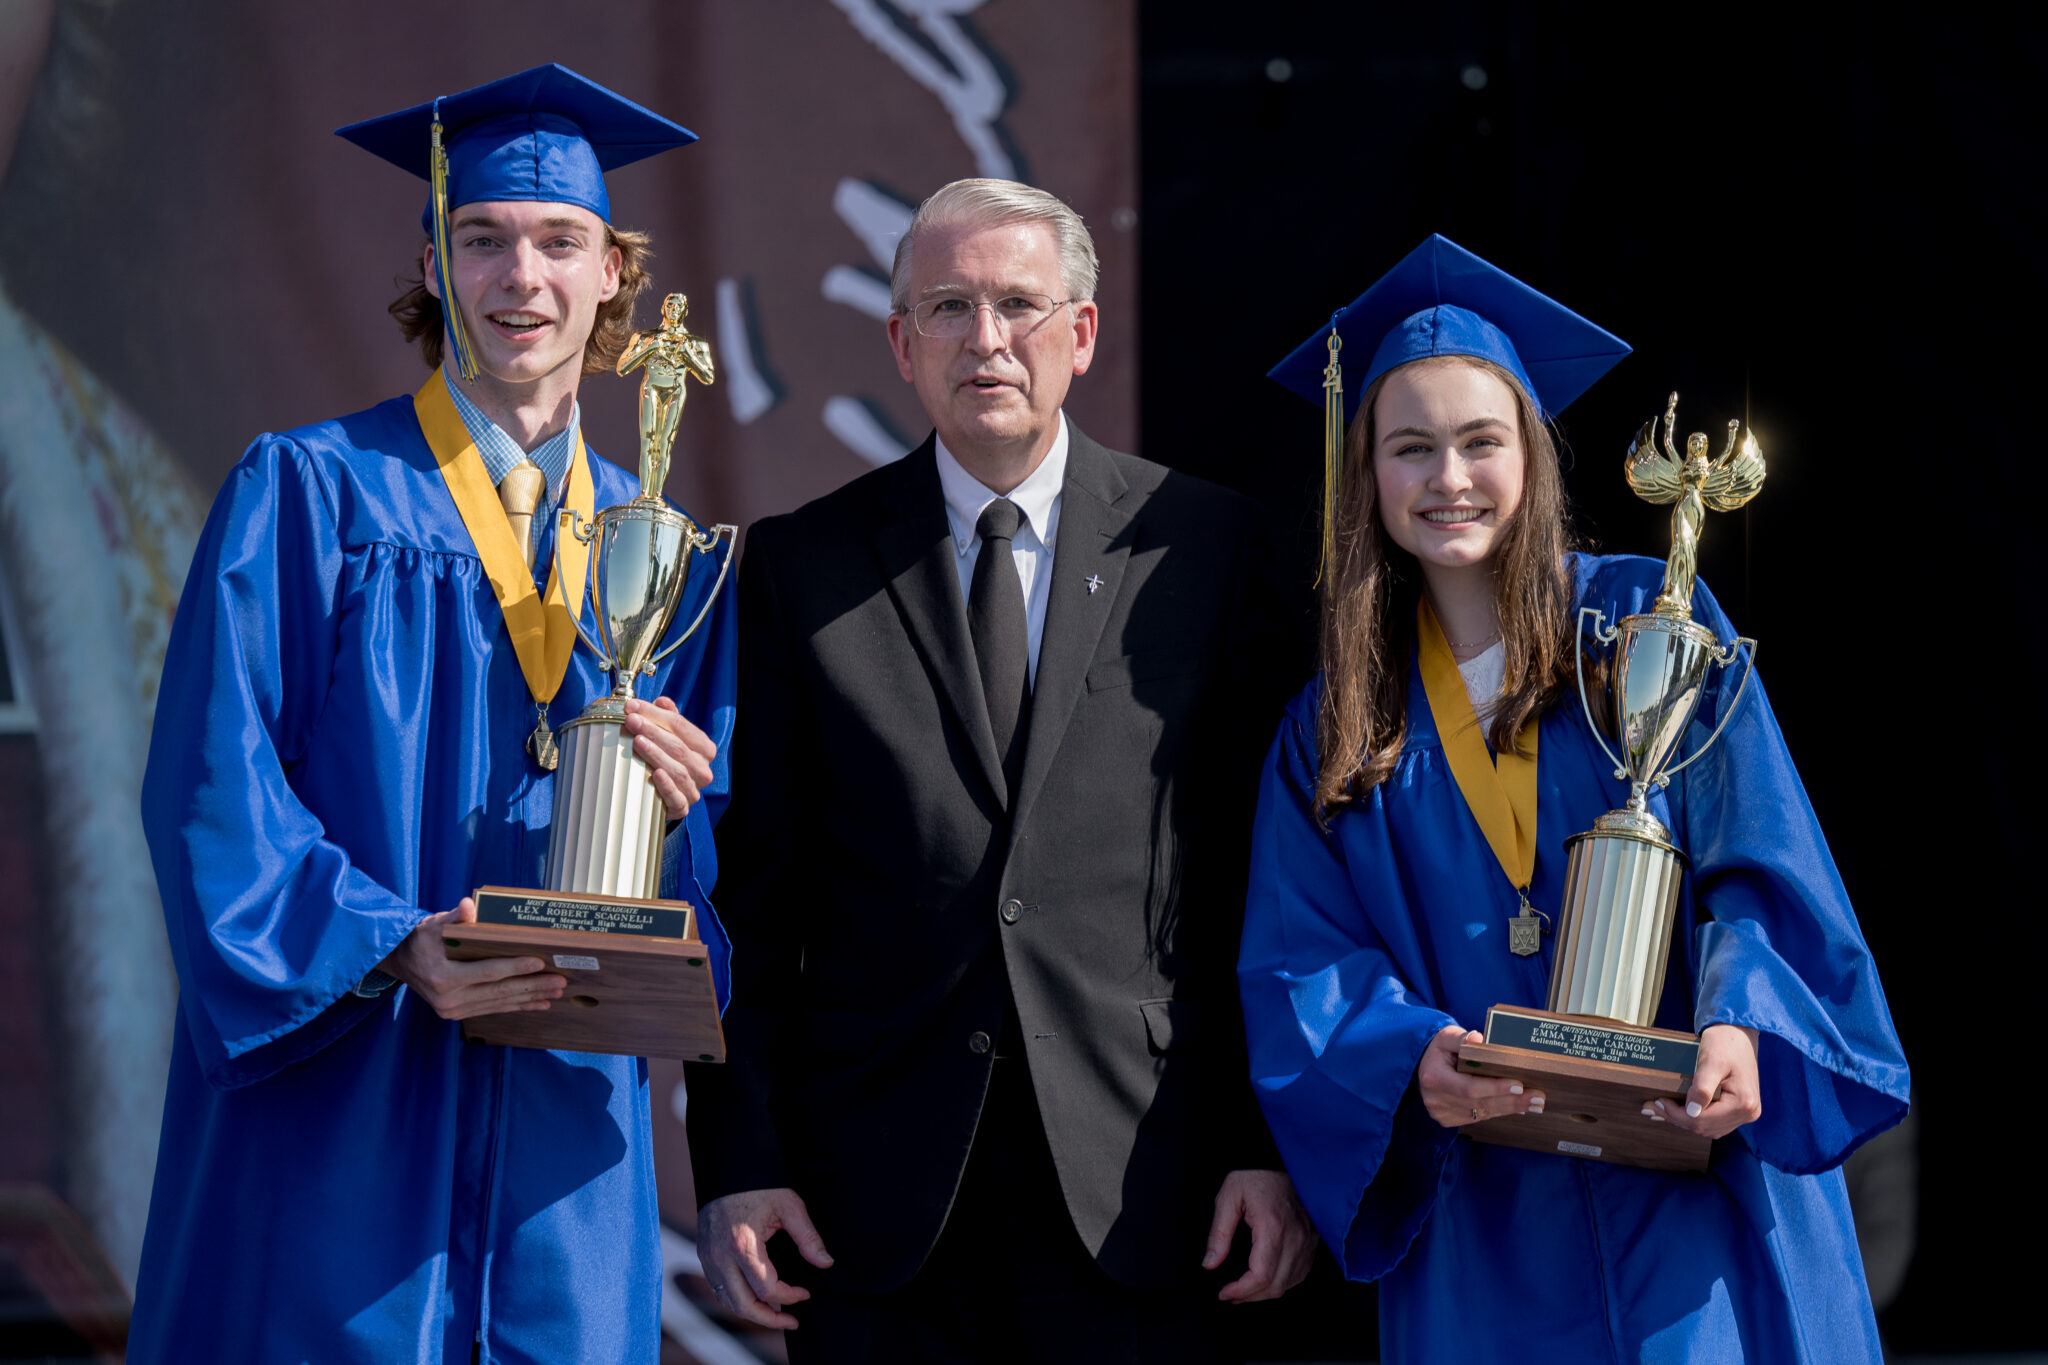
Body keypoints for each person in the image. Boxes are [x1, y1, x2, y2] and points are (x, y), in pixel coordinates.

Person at [129, 65, 735, 1363]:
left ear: (614, 273)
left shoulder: (653, 544)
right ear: (436, 262)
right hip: (347, 1095)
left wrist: (677, 816)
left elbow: (716, 875)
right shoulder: (313, 494)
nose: (524, 274)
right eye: (484, 239)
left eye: (560, 241)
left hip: (562, 1129)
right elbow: (212, 783)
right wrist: (395, 944)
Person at [1240, 235, 1911, 1361]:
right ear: (1363, 475)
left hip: (1697, 1194)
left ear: (1531, 457)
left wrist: (1743, 1021)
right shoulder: (1331, 723)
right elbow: (1300, 957)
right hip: (1489, 1211)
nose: (1447, 478)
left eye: (1478, 441)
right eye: (1409, 448)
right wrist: (1406, 1057)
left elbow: (1765, 859)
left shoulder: (1644, 626)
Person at [684, 177, 1317, 1361]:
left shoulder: (1208, 548)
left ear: (1079, 332)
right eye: (948, 308)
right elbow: (750, 904)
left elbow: (1257, 882)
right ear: (900, 342)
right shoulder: (796, 566)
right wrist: (740, 1162)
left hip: (1146, 1194)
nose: (986, 342)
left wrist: (1260, 1145)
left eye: (1019, 306)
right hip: (868, 1214)